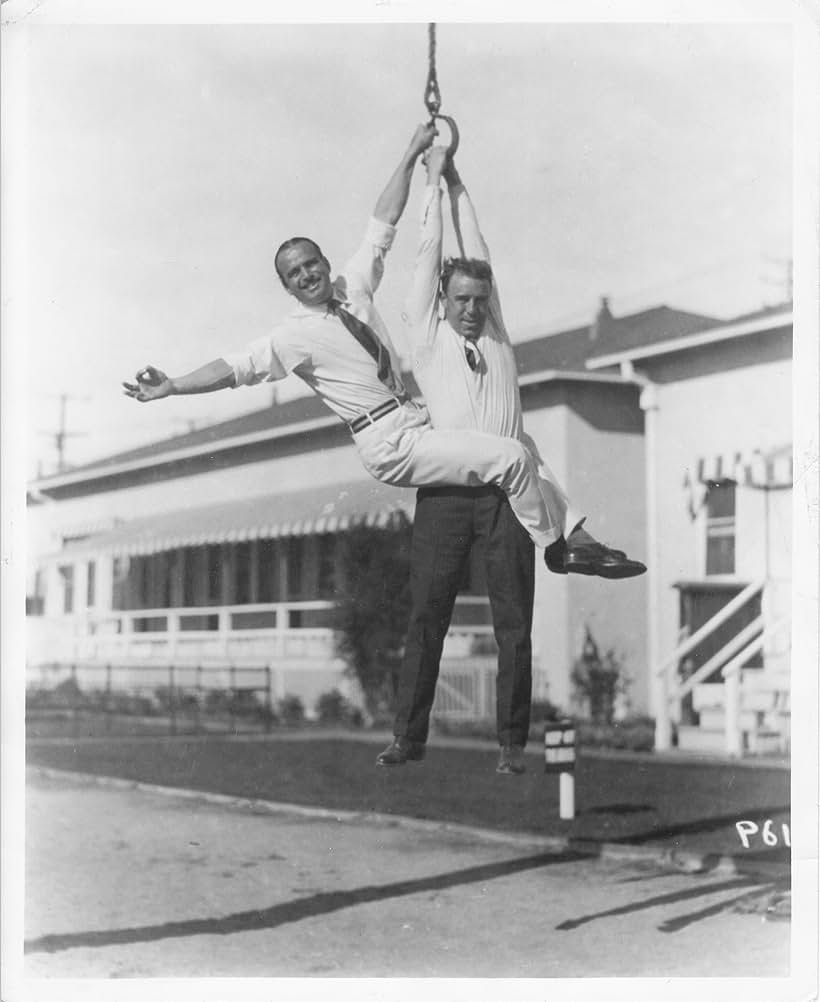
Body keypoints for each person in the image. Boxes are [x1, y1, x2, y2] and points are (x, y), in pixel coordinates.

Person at [122, 122, 603, 555]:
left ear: (325, 262)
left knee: (515, 439)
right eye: (294, 273)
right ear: (286, 286)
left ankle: (576, 532)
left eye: (311, 263)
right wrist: (174, 386)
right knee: (509, 457)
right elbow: (234, 367)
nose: (307, 275)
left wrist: (414, 149)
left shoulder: (352, 287)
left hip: (418, 420)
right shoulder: (294, 337)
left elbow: (383, 223)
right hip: (388, 442)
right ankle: (554, 548)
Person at [375, 146, 645, 775]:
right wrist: (433, 185)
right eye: (461, 298)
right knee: (428, 621)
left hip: (506, 503)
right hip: (446, 498)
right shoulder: (427, 333)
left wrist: (460, 177)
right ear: (443, 301)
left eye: (479, 299)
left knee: (514, 628)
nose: (472, 308)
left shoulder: (496, 334)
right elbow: (428, 252)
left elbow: (479, 247)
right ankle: (409, 737)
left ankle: (511, 744)